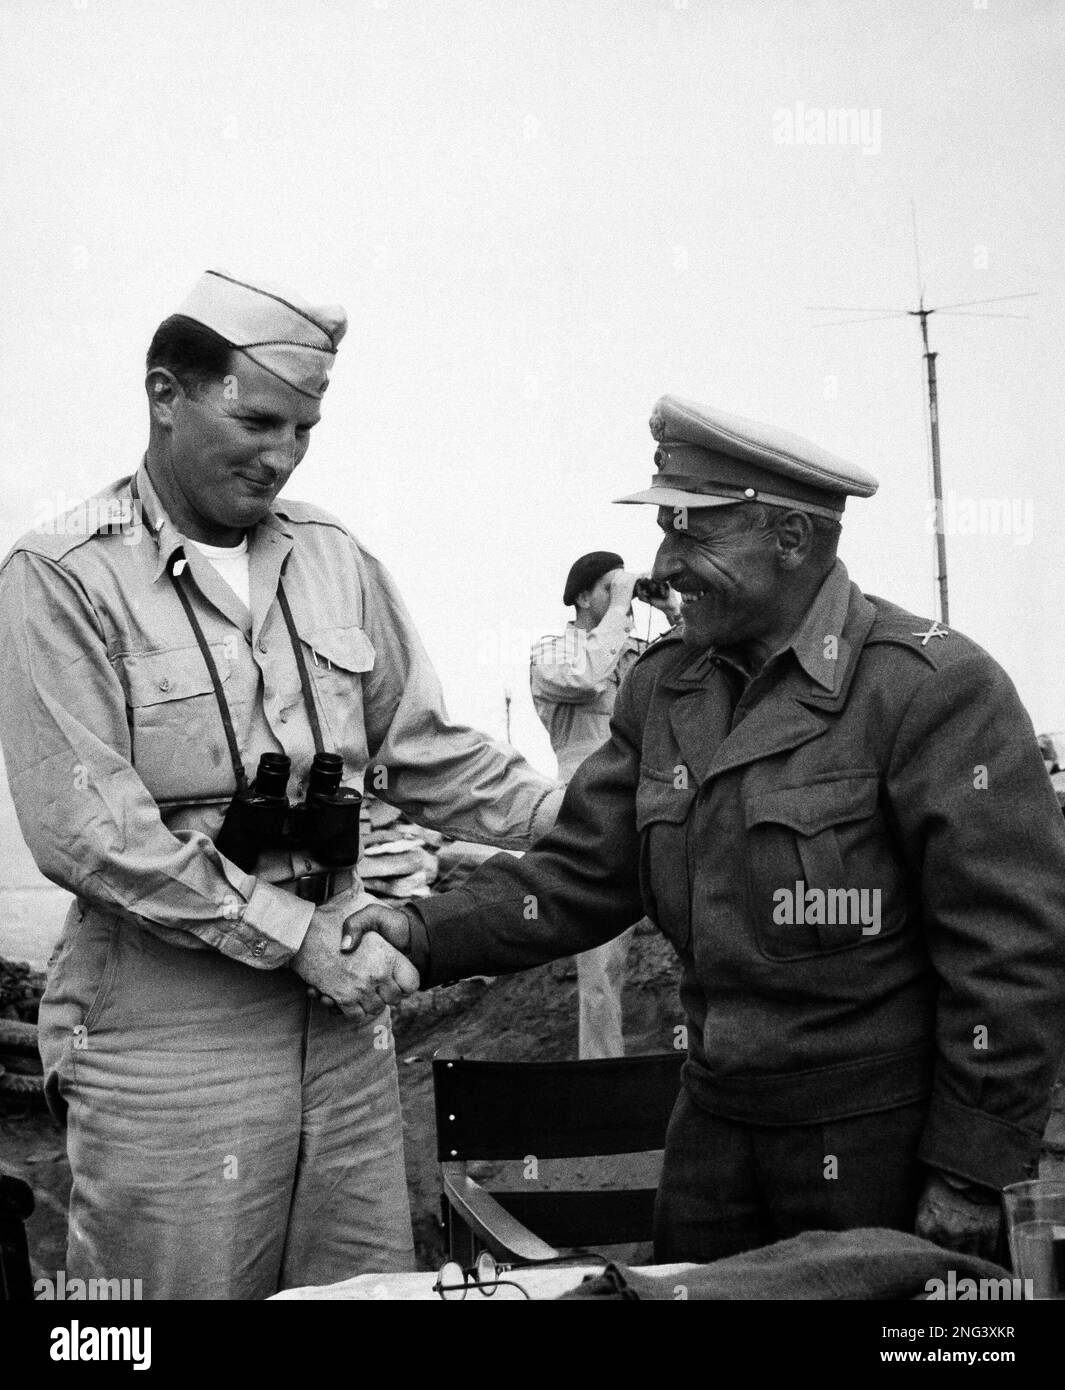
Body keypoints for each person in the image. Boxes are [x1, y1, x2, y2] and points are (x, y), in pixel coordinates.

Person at [346, 393, 1065, 1263]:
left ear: (791, 540)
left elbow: (1010, 953)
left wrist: (968, 1172)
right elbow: (579, 874)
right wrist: (419, 930)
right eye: (665, 531)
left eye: (694, 534)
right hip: (713, 1140)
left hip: (881, 1150)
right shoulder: (666, 688)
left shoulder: (931, 689)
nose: (665, 563)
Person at [0, 268, 562, 1299]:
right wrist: (297, 938)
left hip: (346, 1033)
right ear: (165, 392)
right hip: (169, 1045)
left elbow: (425, 749)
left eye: (304, 427)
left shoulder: (334, 559)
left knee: (360, 1297)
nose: (283, 454)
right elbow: (85, 830)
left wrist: (582, 822)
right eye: (258, 419)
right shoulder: (63, 576)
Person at [530, 551, 679, 1057]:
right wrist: (620, 604)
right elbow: (586, 678)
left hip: (659, 810)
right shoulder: (551, 654)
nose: (624, 597)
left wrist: (675, 611)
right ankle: (602, 1084)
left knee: (706, 942)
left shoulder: (638, 651)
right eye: (609, 588)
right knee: (602, 971)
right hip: (591, 823)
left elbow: (701, 670)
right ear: (581, 596)